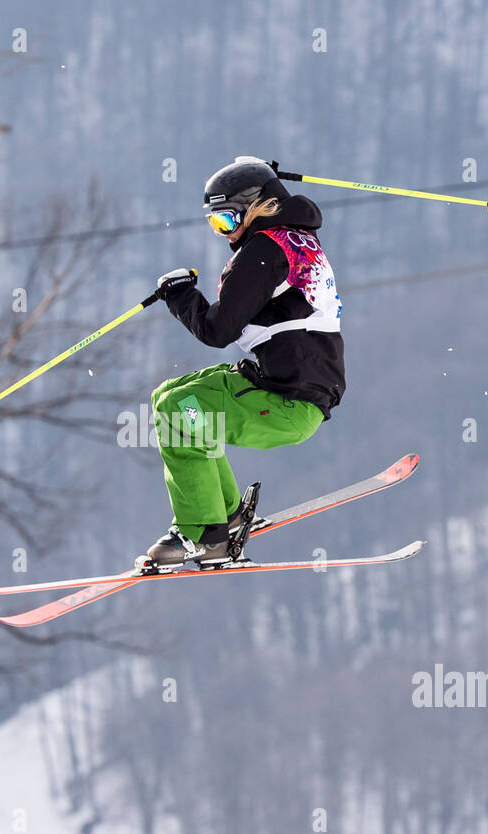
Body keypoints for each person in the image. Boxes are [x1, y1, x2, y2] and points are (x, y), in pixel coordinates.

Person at [146, 156, 345, 566]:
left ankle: (204, 534)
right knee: (171, 396)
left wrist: (180, 295)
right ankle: (227, 515)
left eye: (229, 220)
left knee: (180, 412)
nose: (227, 233)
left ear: (259, 206)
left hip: (289, 400)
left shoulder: (263, 250)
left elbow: (218, 330)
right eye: (216, 224)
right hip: (285, 383)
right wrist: (258, 170)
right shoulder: (293, 238)